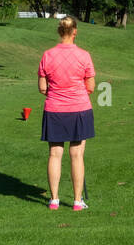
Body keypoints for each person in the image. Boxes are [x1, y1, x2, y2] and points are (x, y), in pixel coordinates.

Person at [38, 16, 96, 210]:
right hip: (79, 109)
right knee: (77, 155)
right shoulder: (84, 55)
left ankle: (54, 200)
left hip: (55, 109)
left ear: (59, 31)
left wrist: (58, 91)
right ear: (75, 32)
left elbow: (42, 87)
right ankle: (77, 201)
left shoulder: (47, 55)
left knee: (55, 154)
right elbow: (91, 86)